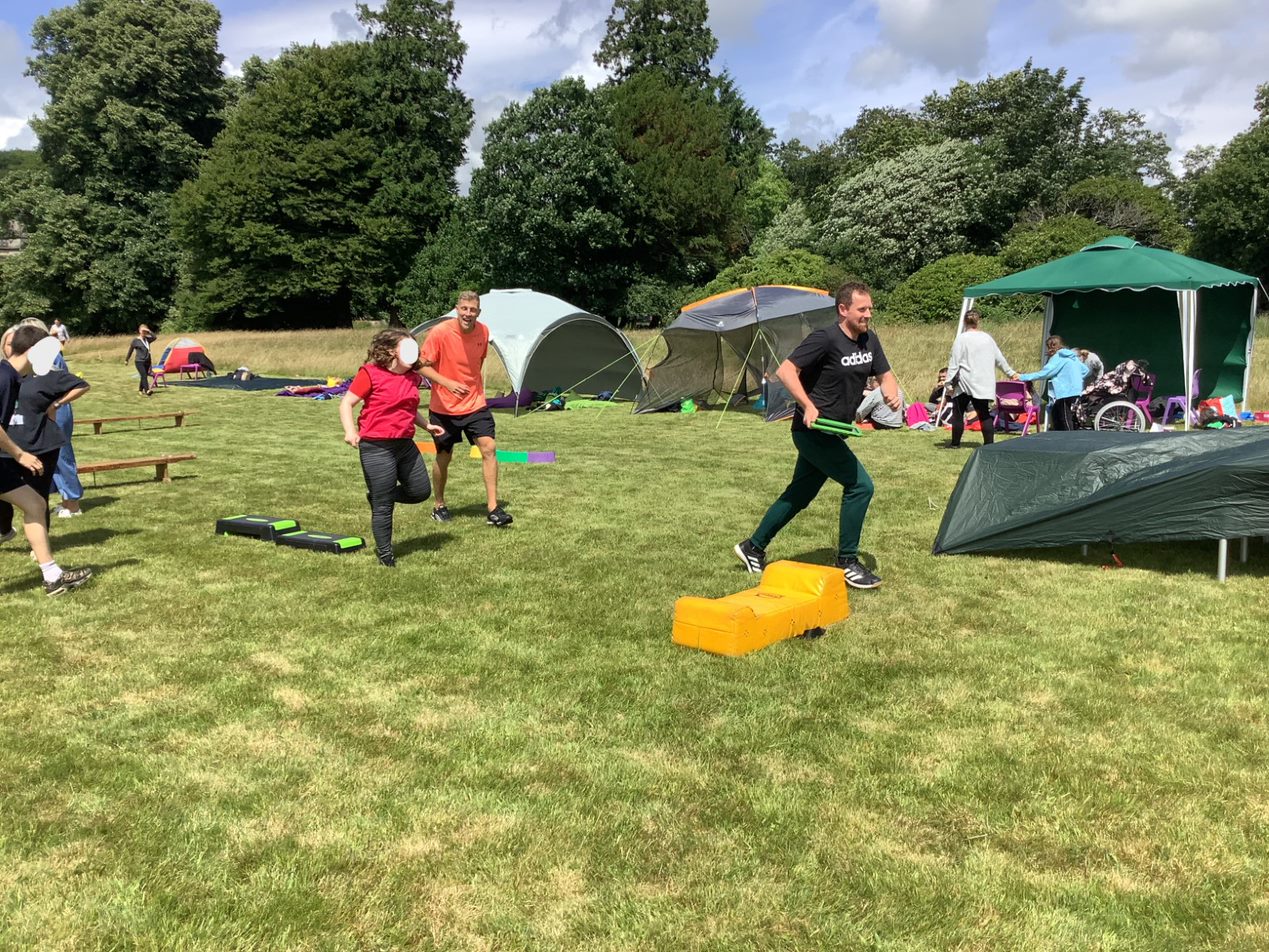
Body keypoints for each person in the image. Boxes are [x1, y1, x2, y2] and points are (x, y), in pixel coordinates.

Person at [734, 282, 899, 590]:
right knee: (860, 486)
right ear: (843, 309)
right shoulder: (825, 339)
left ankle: (752, 547)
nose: (868, 314)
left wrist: (891, 393)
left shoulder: (869, 341)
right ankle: (847, 561)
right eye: (862, 309)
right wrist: (808, 405)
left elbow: (885, 375)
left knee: (800, 494)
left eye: (870, 308)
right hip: (813, 431)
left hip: (835, 431)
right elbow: (785, 371)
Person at [340, 329, 446, 567]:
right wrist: (350, 431)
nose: (414, 352)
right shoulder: (370, 373)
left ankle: (378, 497)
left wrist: (427, 425)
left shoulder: (412, 377)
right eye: (407, 347)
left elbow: (408, 406)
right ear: (390, 351)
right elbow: (347, 402)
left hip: (404, 444)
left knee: (420, 492)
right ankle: (385, 553)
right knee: (384, 506)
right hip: (376, 446)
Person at [0, 324, 92, 595]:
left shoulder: (13, 377)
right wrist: (20, 453)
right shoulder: (4, 377)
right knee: (35, 504)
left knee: (36, 504)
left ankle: (52, 576)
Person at [419, 291, 513, 527]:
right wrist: (447, 382)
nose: (468, 314)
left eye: (472, 310)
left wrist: (471, 388)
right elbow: (419, 366)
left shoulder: (484, 331)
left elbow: (477, 364)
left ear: (478, 312)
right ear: (456, 309)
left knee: (489, 447)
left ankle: (493, 509)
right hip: (443, 407)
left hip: (475, 404)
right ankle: (439, 505)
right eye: (464, 309)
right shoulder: (440, 332)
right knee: (444, 455)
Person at [18, 318, 83, 517]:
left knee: (63, 456)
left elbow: (64, 384)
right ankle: (64, 500)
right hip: (43, 409)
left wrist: (56, 404)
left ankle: (73, 503)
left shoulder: (50, 354)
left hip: (56, 409)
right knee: (50, 455)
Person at [943, 309, 1017, 448]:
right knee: (984, 413)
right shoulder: (987, 338)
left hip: (964, 382)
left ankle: (955, 443)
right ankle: (989, 444)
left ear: (965, 322)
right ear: (979, 321)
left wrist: (948, 383)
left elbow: (954, 362)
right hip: (983, 382)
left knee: (958, 413)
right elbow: (999, 359)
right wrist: (1010, 372)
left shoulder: (961, 338)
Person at [1019, 335, 1090, 431]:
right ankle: (1060, 435)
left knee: (1065, 417)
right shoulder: (1072, 356)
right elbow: (1085, 370)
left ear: (1049, 346)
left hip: (1066, 391)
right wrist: (1075, 377)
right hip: (1076, 390)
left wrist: (1023, 377)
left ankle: (1069, 439)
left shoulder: (1058, 357)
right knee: (1056, 412)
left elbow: (1045, 373)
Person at [124, 324, 157, 395]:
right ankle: (147, 390)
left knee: (143, 376)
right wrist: (127, 360)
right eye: (143, 331)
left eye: (145, 331)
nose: (144, 332)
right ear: (139, 331)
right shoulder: (135, 341)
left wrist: (149, 331)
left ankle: (140, 390)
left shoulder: (147, 339)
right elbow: (130, 350)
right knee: (144, 375)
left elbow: (154, 337)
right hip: (139, 361)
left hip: (147, 361)